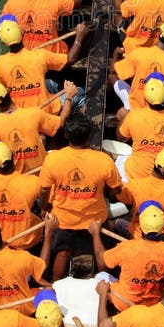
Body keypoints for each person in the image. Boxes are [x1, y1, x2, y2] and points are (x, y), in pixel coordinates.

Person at [38, 113, 123, 280]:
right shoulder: (104, 160)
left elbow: (43, 190)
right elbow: (116, 189)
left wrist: (44, 207)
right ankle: (102, 282)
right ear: (90, 135)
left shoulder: (53, 159)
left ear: (66, 135)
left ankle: (55, 283)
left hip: (61, 219)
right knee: (99, 252)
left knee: (63, 253)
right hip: (94, 219)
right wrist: (112, 197)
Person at [88, 204, 164, 312]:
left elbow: (102, 259)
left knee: (99, 275)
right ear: (163, 226)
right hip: (156, 305)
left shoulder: (127, 247)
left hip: (124, 303)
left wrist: (95, 234)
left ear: (140, 226)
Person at [0, 16, 87, 114]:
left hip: (20, 111)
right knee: (79, 91)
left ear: (3, 42)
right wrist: (80, 36)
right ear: (22, 34)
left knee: (49, 83)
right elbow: (70, 59)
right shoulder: (39, 55)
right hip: (44, 110)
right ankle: (76, 112)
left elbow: (3, 91)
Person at [0, 80, 75, 173]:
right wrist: (68, 97)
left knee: (42, 138)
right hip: (43, 169)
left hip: (17, 175)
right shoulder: (33, 113)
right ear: (9, 92)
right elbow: (62, 122)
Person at [109, 19, 164, 121]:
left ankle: (127, 109)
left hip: (136, 108)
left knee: (112, 76)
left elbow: (115, 72)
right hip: (160, 114)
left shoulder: (139, 53)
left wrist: (116, 55)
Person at [119, 147, 164, 239]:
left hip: (137, 234)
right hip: (161, 238)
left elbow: (121, 199)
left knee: (117, 222)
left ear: (155, 160)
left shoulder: (134, 184)